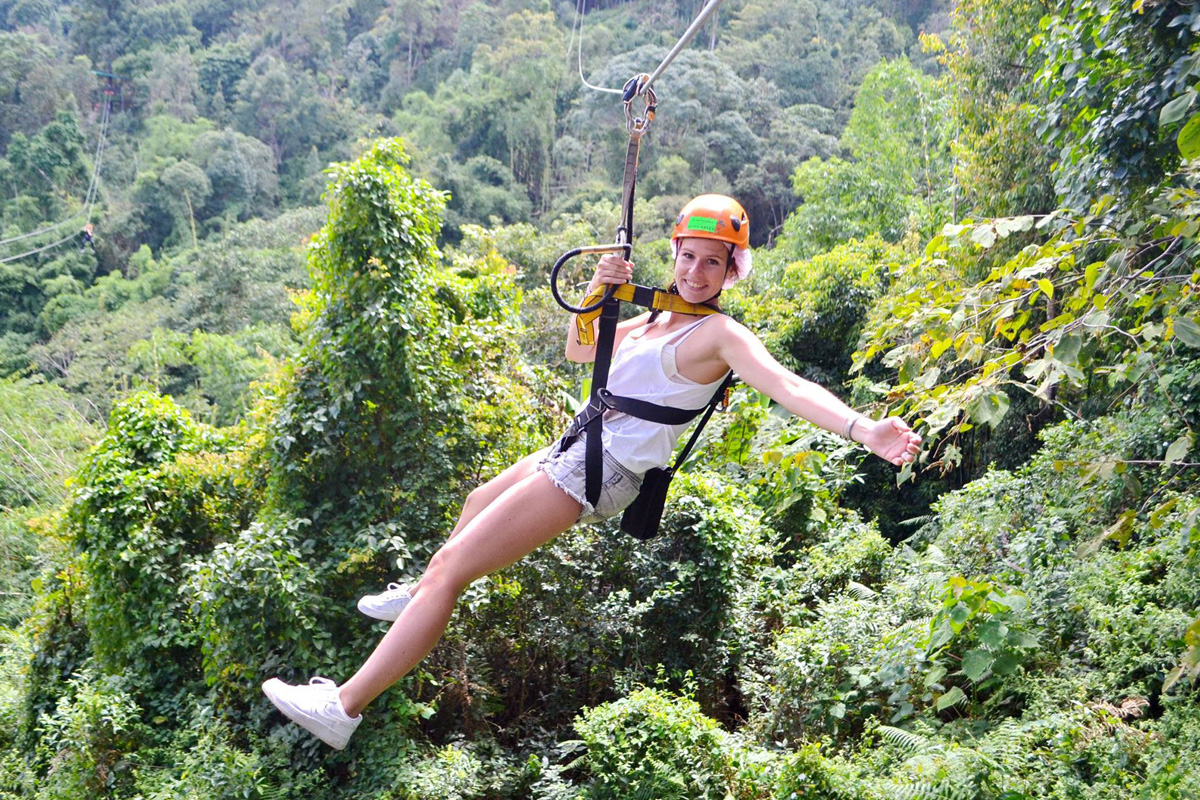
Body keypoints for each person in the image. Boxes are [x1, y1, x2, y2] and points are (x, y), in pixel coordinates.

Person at [262, 194, 923, 750]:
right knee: (473, 501)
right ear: (675, 255)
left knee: (452, 570)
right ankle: (417, 597)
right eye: (687, 256)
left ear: (731, 271)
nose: (695, 271)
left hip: (597, 470)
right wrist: (599, 286)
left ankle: (344, 708)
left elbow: (787, 386)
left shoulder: (721, 336)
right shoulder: (654, 319)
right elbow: (581, 348)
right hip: (574, 446)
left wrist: (866, 430)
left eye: (711, 262)